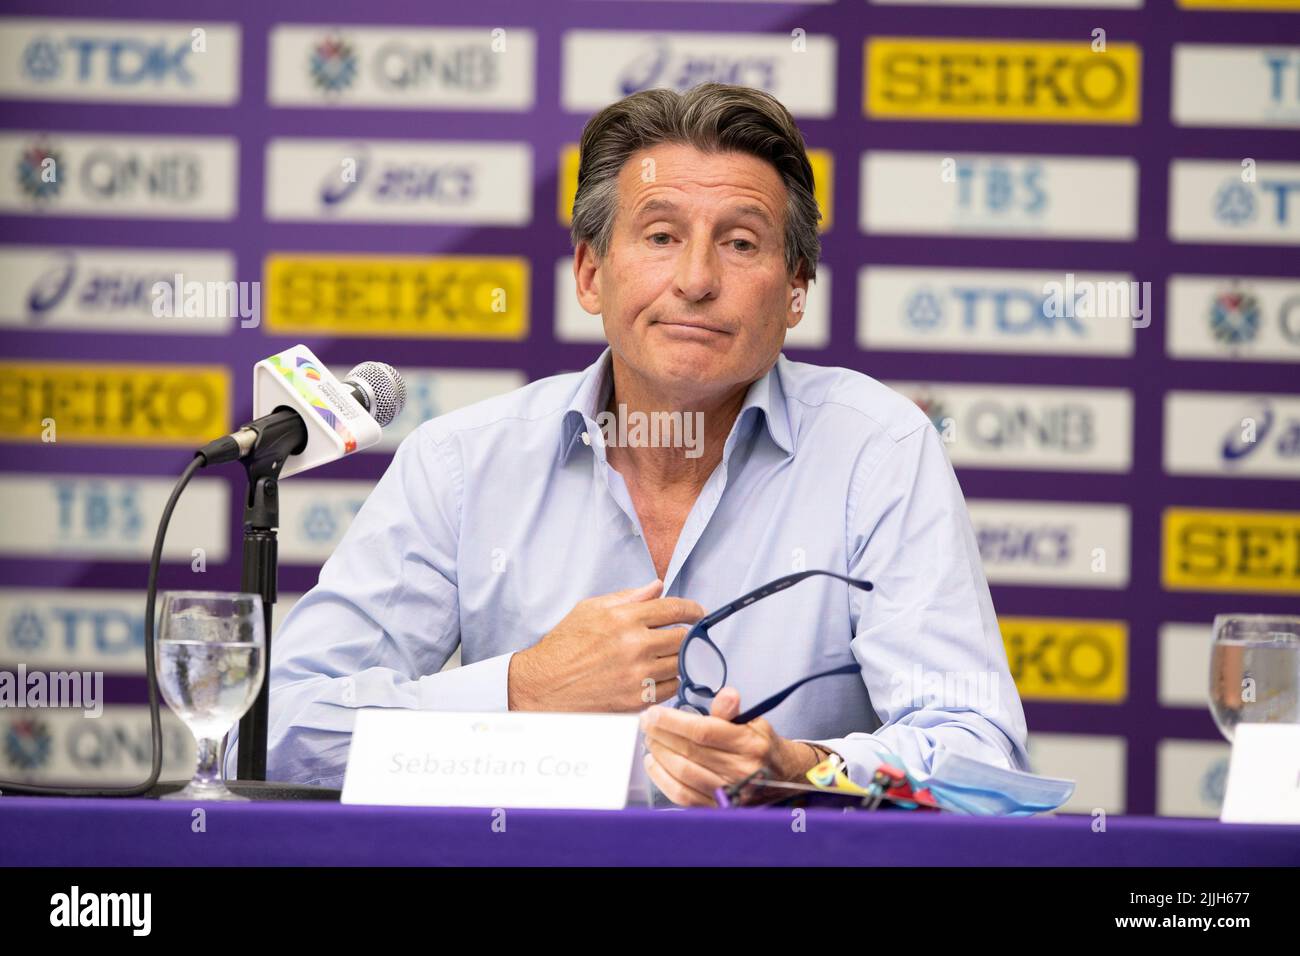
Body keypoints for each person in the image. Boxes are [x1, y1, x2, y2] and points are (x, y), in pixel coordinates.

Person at [254, 82, 1029, 806]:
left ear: (795, 287)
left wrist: (805, 770)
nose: (695, 279)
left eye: (740, 243)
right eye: (661, 235)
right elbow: (276, 733)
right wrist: (522, 690)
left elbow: (982, 758)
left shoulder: (878, 451)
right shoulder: (461, 464)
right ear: (592, 272)